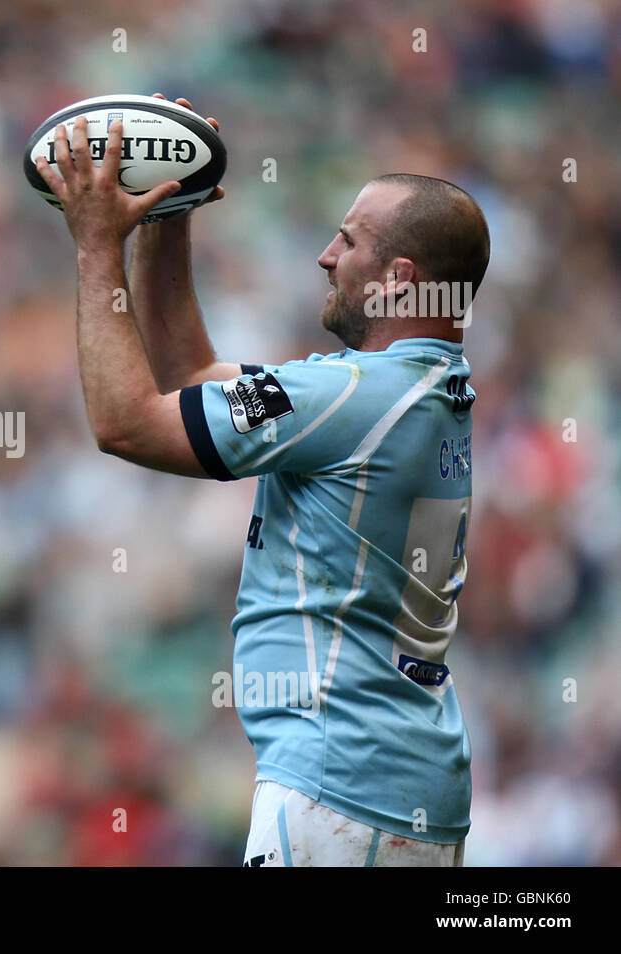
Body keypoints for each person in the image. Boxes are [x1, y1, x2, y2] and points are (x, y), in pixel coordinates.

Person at [33, 95, 490, 866]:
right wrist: (166, 216)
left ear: (398, 277)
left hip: (338, 791)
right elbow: (188, 379)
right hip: (391, 787)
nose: (326, 255)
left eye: (348, 240)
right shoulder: (410, 391)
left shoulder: (355, 399)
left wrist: (95, 249)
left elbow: (127, 423)